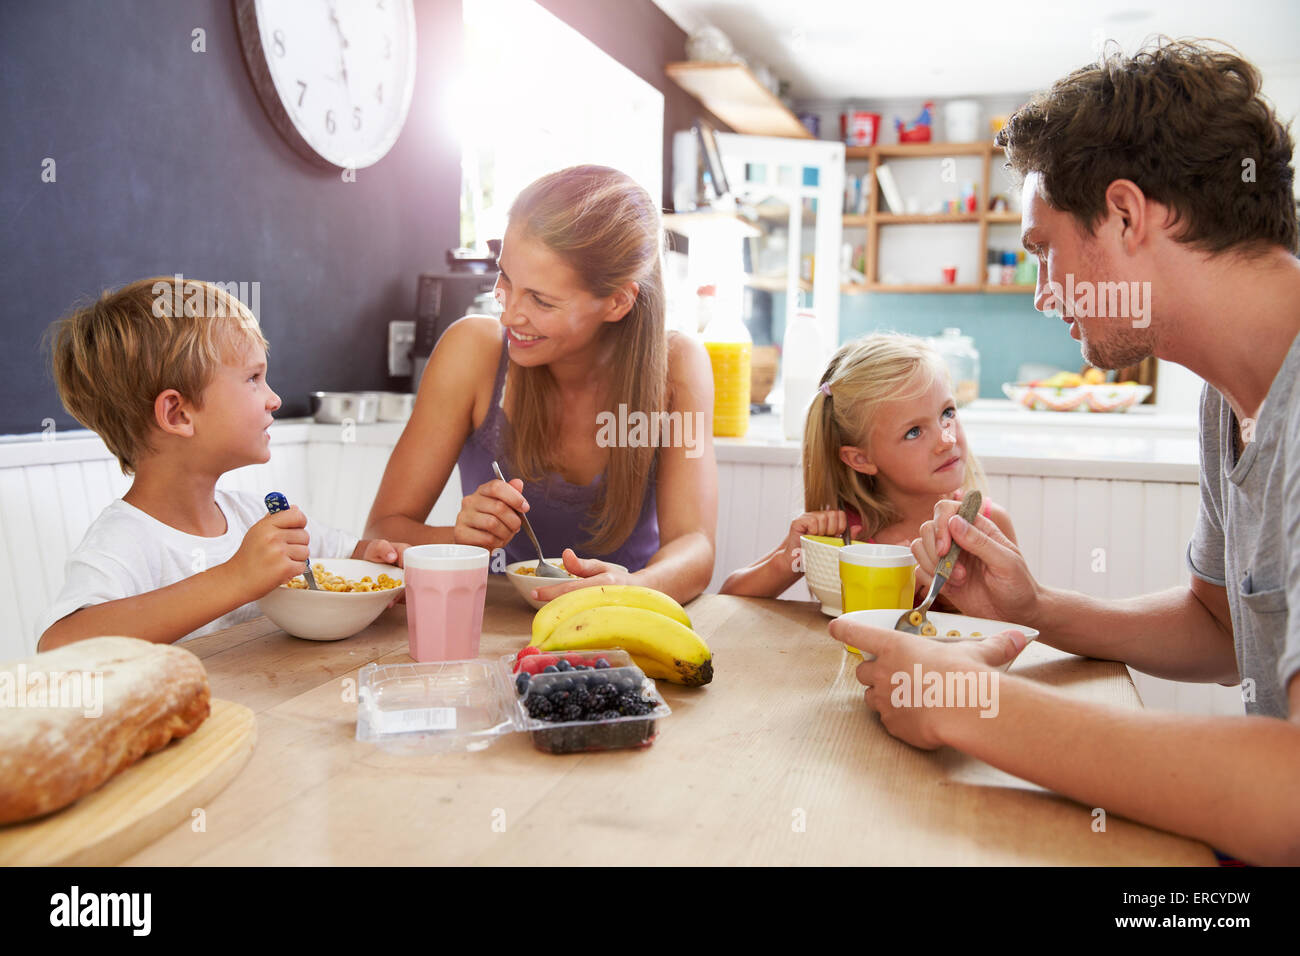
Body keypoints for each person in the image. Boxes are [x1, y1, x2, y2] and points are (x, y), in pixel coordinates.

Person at [830, 39, 1300, 865]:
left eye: (1043, 250)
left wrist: (969, 703)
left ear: (1125, 214)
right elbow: (1222, 628)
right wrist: (1037, 610)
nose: (1042, 292)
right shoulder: (1228, 401)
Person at [364, 166, 717, 606]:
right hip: (481, 626)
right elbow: (381, 532)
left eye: (542, 300)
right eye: (506, 279)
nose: (510, 314)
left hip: (622, 624)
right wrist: (459, 539)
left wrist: (632, 589)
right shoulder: (473, 352)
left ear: (617, 301)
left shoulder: (678, 366)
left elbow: (696, 547)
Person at [37, 277, 405, 650]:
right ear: (178, 414)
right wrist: (235, 578)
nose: (274, 399)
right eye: (253, 378)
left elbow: (348, 556)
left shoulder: (252, 515)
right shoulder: (125, 540)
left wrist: (375, 558)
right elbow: (59, 647)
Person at [720, 333, 1016, 598]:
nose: (946, 440)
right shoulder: (843, 537)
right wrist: (790, 557)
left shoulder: (987, 525)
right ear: (861, 459)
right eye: (914, 431)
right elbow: (730, 598)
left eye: (947, 412)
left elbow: (1019, 619)